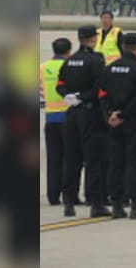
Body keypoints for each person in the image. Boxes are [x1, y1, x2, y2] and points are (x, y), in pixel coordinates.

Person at [99, 32, 136, 219]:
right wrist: (124, 115)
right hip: (133, 121)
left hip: (114, 123)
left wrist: (111, 114)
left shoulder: (109, 68)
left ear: (122, 47)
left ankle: (116, 204)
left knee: (116, 163)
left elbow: (102, 94)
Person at [57, 26, 109, 217]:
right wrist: (83, 97)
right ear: (93, 39)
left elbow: (59, 85)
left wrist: (69, 97)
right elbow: (100, 88)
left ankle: (69, 202)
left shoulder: (69, 61)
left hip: (71, 114)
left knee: (72, 159)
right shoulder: (96, 60)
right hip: (90, 113)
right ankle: (96, 202)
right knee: (93, 159)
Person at [41, 37, 72, 206]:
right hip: (67, 117)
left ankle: (53, 196)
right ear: (68, 51)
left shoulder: (43, 67)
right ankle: (69, 195)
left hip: (50, 117)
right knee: (69, 159)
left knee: (53, 159)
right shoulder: (68, 66)